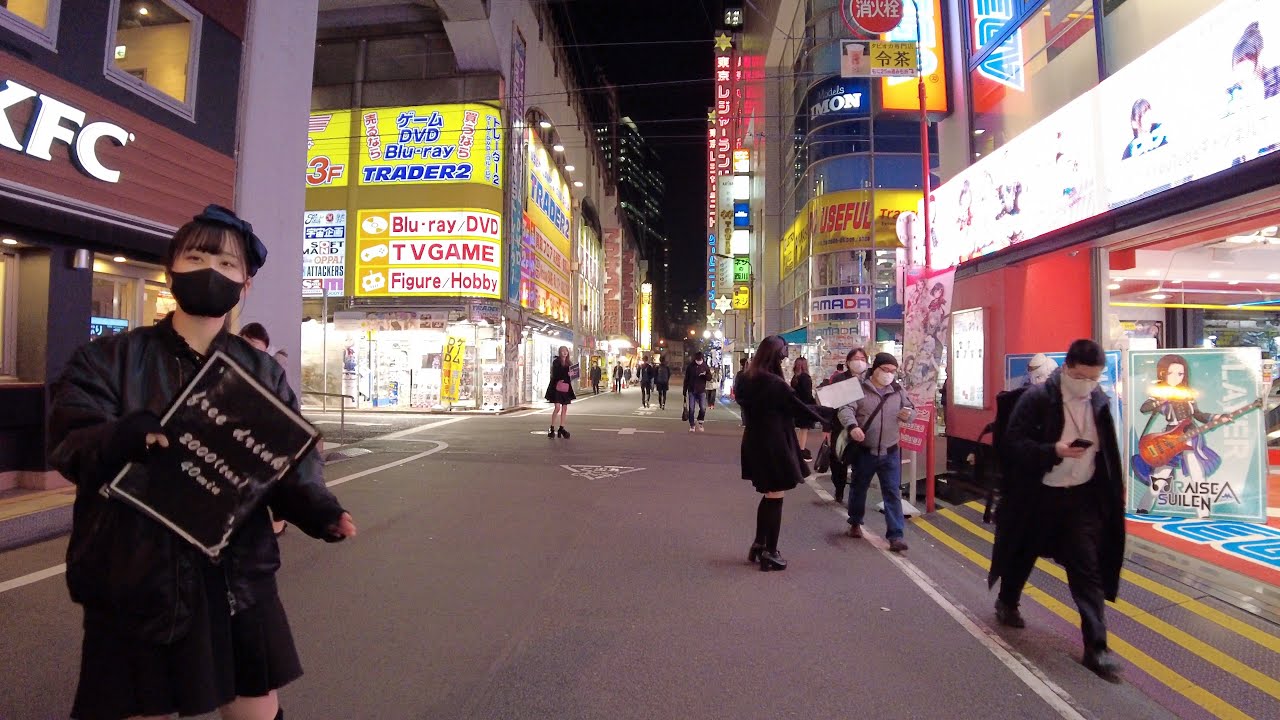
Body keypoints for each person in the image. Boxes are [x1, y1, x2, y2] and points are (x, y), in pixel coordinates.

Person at [48, 205, 357, 720]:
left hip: (238, 575)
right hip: (137, 575)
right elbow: (69, 439)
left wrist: (317, 506)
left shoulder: (260, 370)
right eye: (196, 255)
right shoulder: (108, 358)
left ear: (246, 285)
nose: (211, 269)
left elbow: (284, 459)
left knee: (255, 707)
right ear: (172, 269)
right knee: (138, 707)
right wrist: (122, 435)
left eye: (227, 263)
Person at [988, 339, 1125, 682]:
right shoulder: (1038, 399)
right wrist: (1054, 450)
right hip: (1038, 495)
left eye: (1094, 378)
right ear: (1066, 367)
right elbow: (1013, 444)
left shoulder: (1098, 401)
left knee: (1087, 570)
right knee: (1022, 553)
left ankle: (1097, 647)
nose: (1088, 384)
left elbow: (1108, 453)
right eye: (1081, 376)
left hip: (1080, 500)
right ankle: (1008, 601)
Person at [737, 335, 829, 572]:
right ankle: (771, 552)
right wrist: (831, 414)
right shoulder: (774, 383)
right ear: (778, 355)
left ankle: (759, 544)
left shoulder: (747, 379)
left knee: (769, 494)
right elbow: (802, 409)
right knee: (776, 496)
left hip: (755, 441)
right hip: (775, 442)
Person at [836, 352, 915, 552]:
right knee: (859, 487)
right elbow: (845, 409)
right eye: (885, 370)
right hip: (865, 451)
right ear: (875, 369)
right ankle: (855, 522)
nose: (889, 375)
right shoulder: (858, 388)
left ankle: (896, 536)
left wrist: (908, 415)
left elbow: (911, 409)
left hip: (890, 451)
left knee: (892, 492)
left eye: (893, 371)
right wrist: (853, 427)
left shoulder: (897, 390)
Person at [1131, 354, 1224, 516]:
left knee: (1197, 474)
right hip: (1170, 437)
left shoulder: (1187, 394)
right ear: (1163, 373)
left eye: (1180, 374)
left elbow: (1198, 414)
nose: (1176, 377)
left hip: (1190, 434)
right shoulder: (1160, 393)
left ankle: (1204, 513)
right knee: (1161, 474)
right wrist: (1160, 401)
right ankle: (1143, 508)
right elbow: (1144, 408)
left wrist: (1214, 417)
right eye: (1171, 373)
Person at [239, 322, 288, 538]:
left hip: (264, 436)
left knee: (273, 482)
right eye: (246, 347)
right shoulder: (223, 364)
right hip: (236, 436)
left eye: (257, 351)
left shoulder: (272, 372)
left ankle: (278, 523)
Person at [826, 348, 870, 503]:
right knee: (839, 459)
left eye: (862, 359)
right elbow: (830, 404)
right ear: (848, 362)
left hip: (863, 427)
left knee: (859, 459)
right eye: (856, 358)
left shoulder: (869, 380)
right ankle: (839, 488)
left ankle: (855, 494)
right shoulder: (840, 379)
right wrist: (827, 429)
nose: (859, 362)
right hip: (840, 427)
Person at [544, 346, 576, 438]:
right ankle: (552, 427)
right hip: (557, 387)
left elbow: (571, 376)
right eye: (562, 351)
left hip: (566, 387)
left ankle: (561, 428)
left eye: (566, 351)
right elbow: (556, 374)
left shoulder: (569, 363)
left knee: (565, 408)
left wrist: (572, 375)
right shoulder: (556, 362)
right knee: (557, 408)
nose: (565, 353)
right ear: (560, 352)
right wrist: (567, 374)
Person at [791, 357, 817, 460]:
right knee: (804, 429)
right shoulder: (805, 377)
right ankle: (801, 450)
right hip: (805, 406)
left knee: (801, 429)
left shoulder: (795, 378)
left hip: (797, 406)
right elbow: (807, 394)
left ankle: (798, 448)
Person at [684, 352, 711, 433]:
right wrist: (684, 390)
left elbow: (709, 377)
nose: (699, 361)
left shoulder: (705, 366)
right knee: (691, 409)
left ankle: (700, 421)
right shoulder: (690, 366)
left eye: (700, 359)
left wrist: (705, 375)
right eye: (697, 360)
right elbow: (686, 379)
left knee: (703, 408)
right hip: (692, 390)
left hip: (701, 390)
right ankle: (692, 425)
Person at [731, 357, 749, 427]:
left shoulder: (740, 374)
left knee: (743, 409)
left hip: (742, 393)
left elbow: (737, 384)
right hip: (750, 393)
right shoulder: (751, 373)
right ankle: (747, 422)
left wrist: (735, 392)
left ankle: (744, 422)